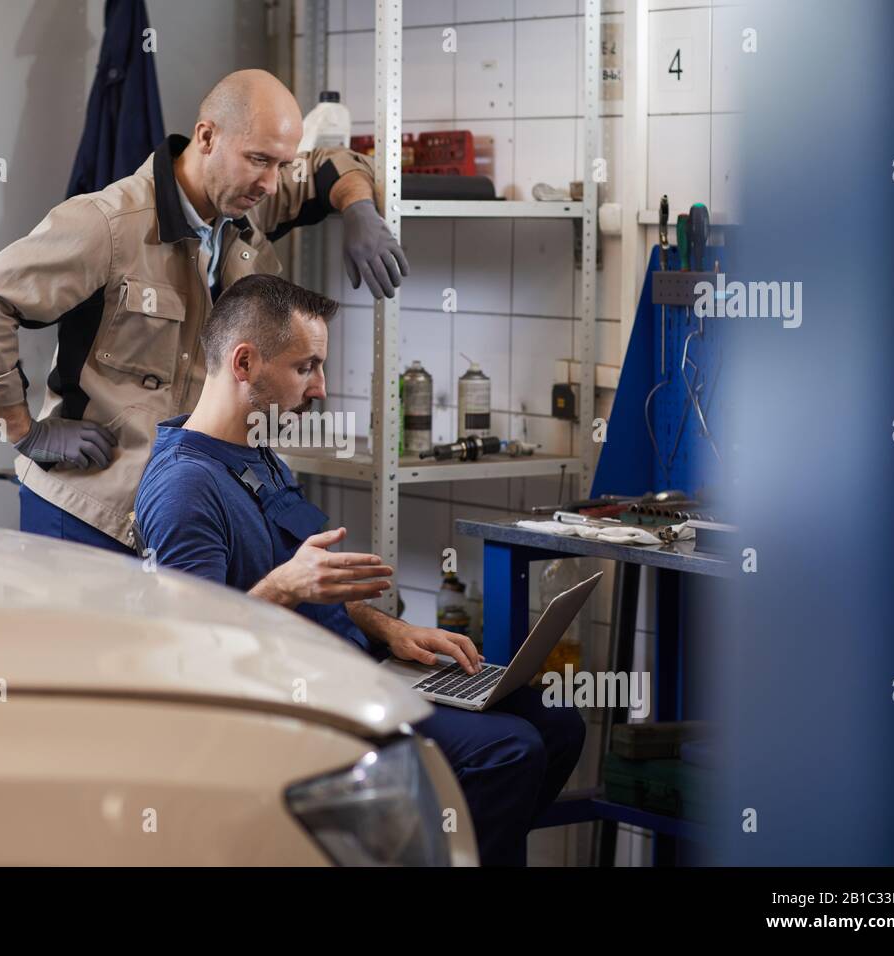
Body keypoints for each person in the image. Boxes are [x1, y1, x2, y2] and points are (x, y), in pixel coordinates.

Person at [134, 274, 586, 866]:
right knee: (508, 751)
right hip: (291, 706)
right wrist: (281, 588)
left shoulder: (259, 455)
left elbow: (315, 585)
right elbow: (191, 657)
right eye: (306, 367)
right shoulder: (185, 486)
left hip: (354, 667)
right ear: (245, 363)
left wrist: (388, 629)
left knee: (556, 725)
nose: (320, 388)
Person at [0, 69, 408, 553]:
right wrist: (24, 431)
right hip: (89, 512)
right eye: (258, 160)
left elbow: (333, 163)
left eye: (280, 164)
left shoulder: (245, 206)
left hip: (181, 511)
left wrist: (359, 209)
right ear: (207, 136)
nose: (272, 184)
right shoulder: (107, 224)